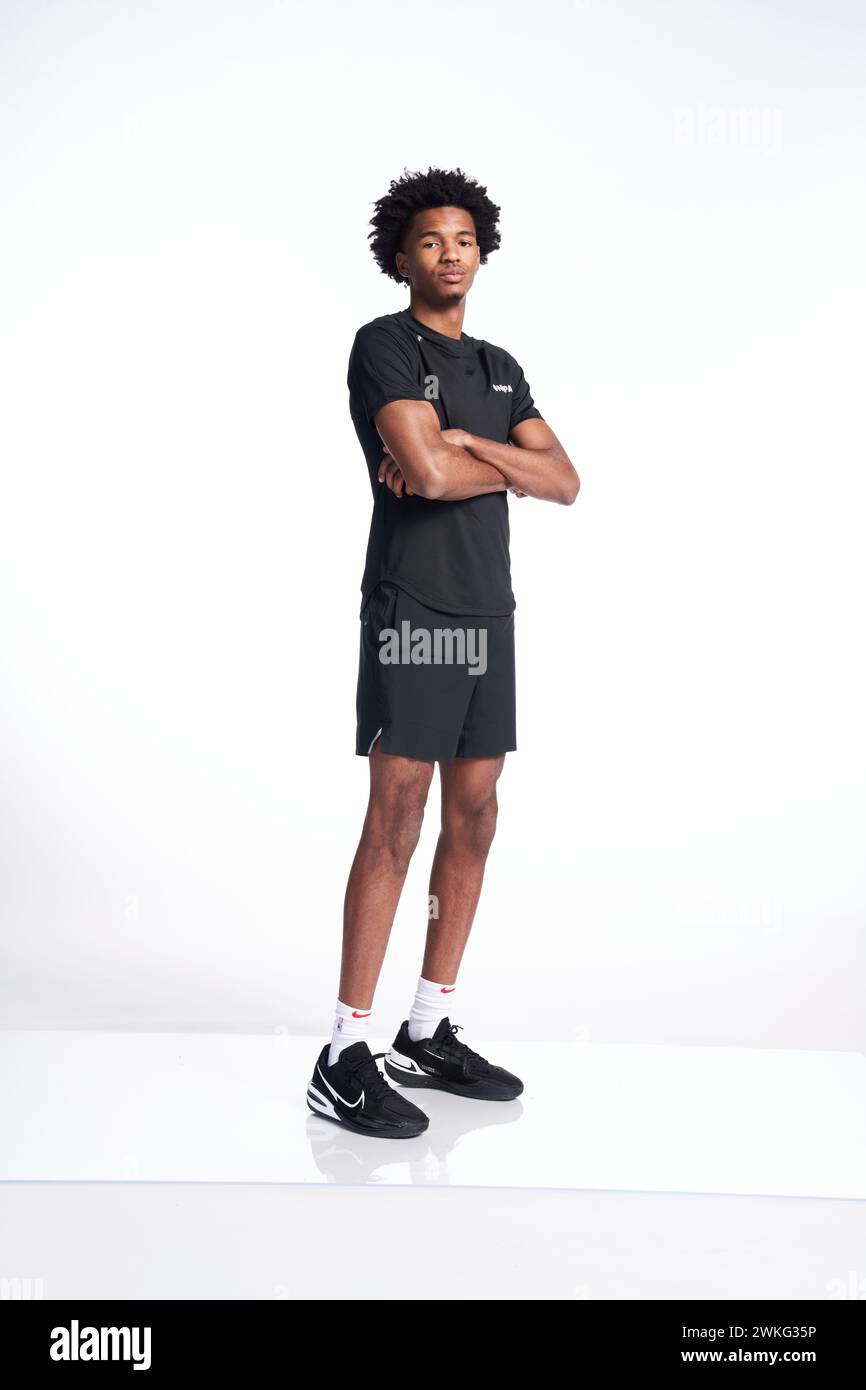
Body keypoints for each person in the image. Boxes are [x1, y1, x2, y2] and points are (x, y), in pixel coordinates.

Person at [306, 167, 579, 1138]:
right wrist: (483, 459)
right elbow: (418, 474)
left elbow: (566, 480)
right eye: (429, 241)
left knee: (475, 812)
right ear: (400, 258)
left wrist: (475, 446)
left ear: (481, 250)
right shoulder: (382, 345)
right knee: (398, 812)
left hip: (487, 612)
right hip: (412, 606)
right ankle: (342, 1050)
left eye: (462, 238)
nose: (449, 252)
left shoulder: (500, 366)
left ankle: (423, 1029)